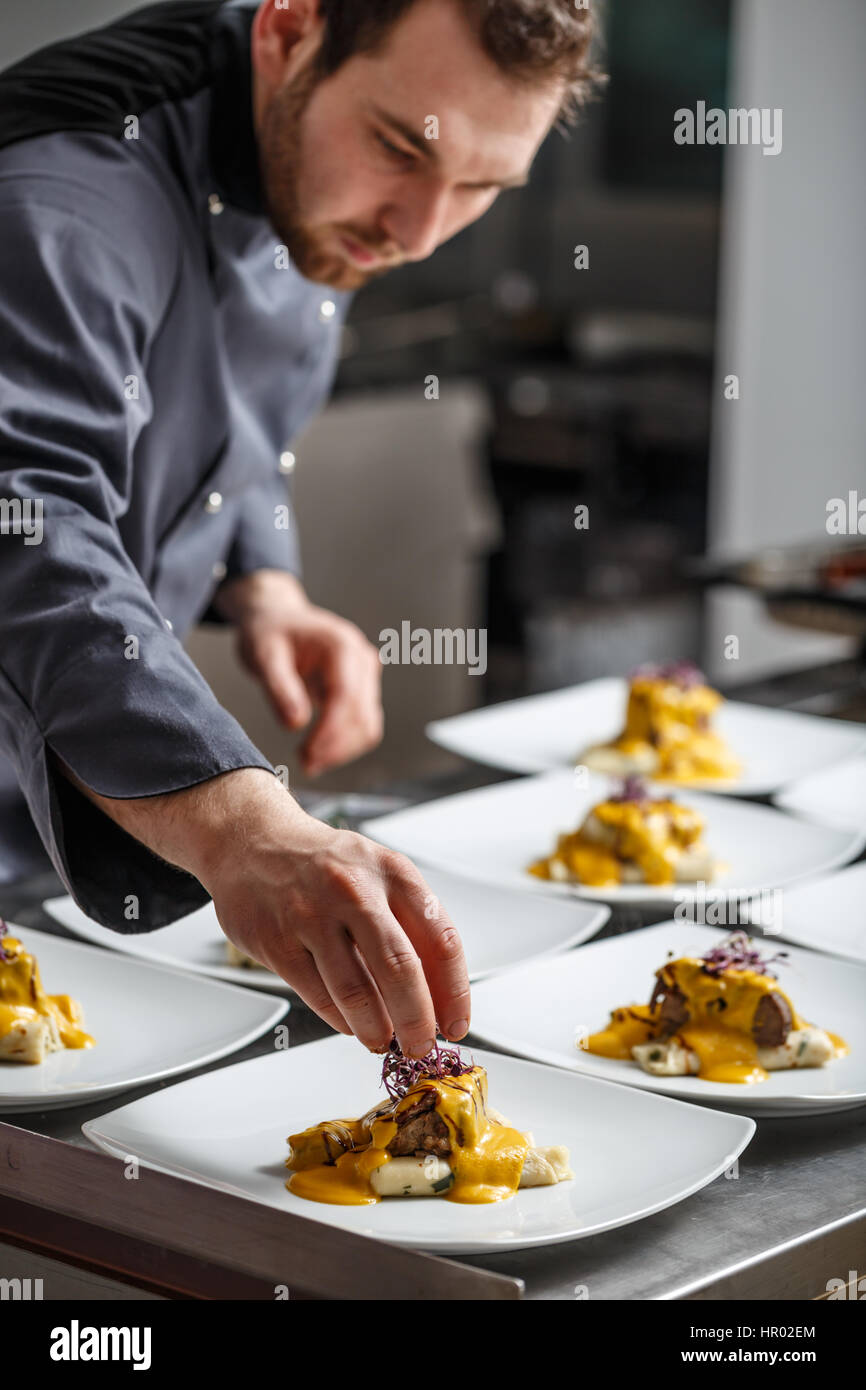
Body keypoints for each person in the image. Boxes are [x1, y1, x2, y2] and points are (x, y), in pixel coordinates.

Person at [0, 0, 598, 1055]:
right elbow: (27, 505)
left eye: (479, 188)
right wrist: (243, 827)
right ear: (289, 29)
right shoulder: (68, 197)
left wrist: (261, 580)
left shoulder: (314, 171)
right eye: (396, 150)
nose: (417, 231)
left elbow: (223, 388)